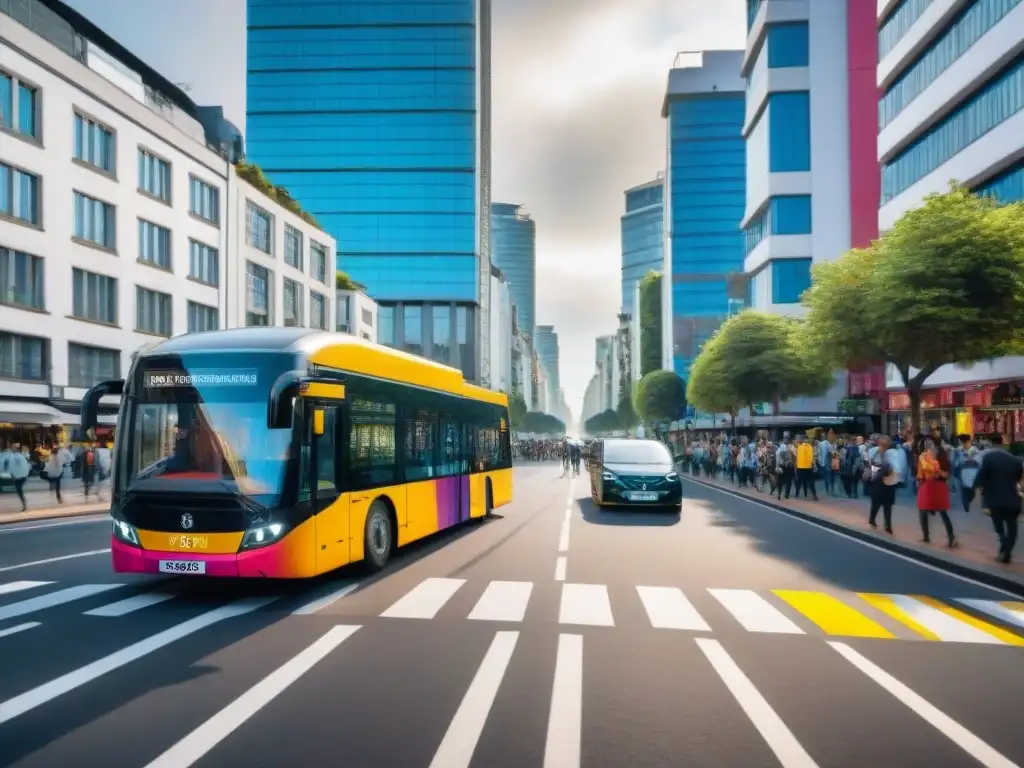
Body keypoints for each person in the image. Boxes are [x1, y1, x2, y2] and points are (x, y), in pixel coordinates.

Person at [972, 433, 1022, 564]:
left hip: (995, 500)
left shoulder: (989, 457)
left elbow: (980, 476)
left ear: (990, 443)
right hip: (1013, 500)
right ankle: (1006, 551)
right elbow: (1018, 478)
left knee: (999, 527)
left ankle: (1004, 549)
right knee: (1012, 527)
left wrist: (978, 489)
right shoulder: (1014, 459)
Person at [916, 440, 956, 548]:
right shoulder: (923, 456)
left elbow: (946, 474)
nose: (928, 447)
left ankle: (951, 537)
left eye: (930, 445)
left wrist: (936, 471)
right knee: (924, 511)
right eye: (926, 445)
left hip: (937, 485)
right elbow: (920, 474)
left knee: (941, 512)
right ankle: (926, 536)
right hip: (927, 485)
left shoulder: (941, 456)